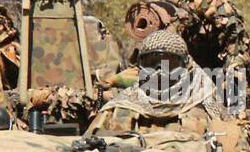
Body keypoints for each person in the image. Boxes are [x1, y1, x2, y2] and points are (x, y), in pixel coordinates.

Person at [89, 28, 229, 133]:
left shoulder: (207, 104)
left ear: (186, 65)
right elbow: (87, 149)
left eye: (169, 64)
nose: (160, 72)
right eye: (152, 63)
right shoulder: (123, 105)